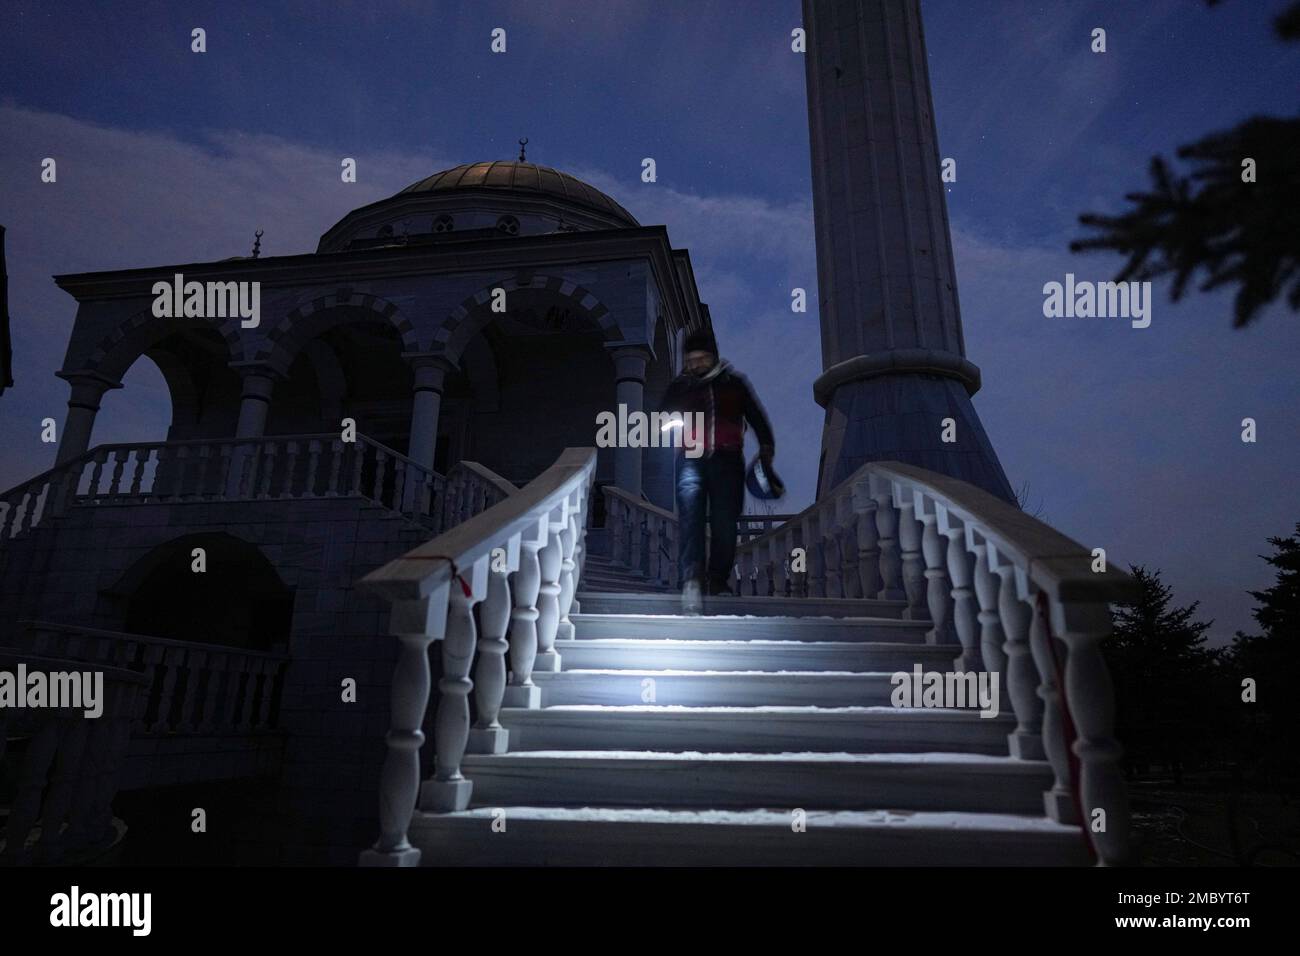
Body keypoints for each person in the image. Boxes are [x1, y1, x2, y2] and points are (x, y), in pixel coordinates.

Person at [660, 328, 776, 614]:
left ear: (713, 357)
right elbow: (661, 414)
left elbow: (756, 414)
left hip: (727, 460)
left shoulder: (734, 383)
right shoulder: (680, 386)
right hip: (690, 458)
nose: (696, 364)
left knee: (725, 523)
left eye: (702, 358)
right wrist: (668, 418)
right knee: (691, 520)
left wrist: (766, 445)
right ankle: (691, 581)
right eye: (691, 359)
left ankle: (718, 581)